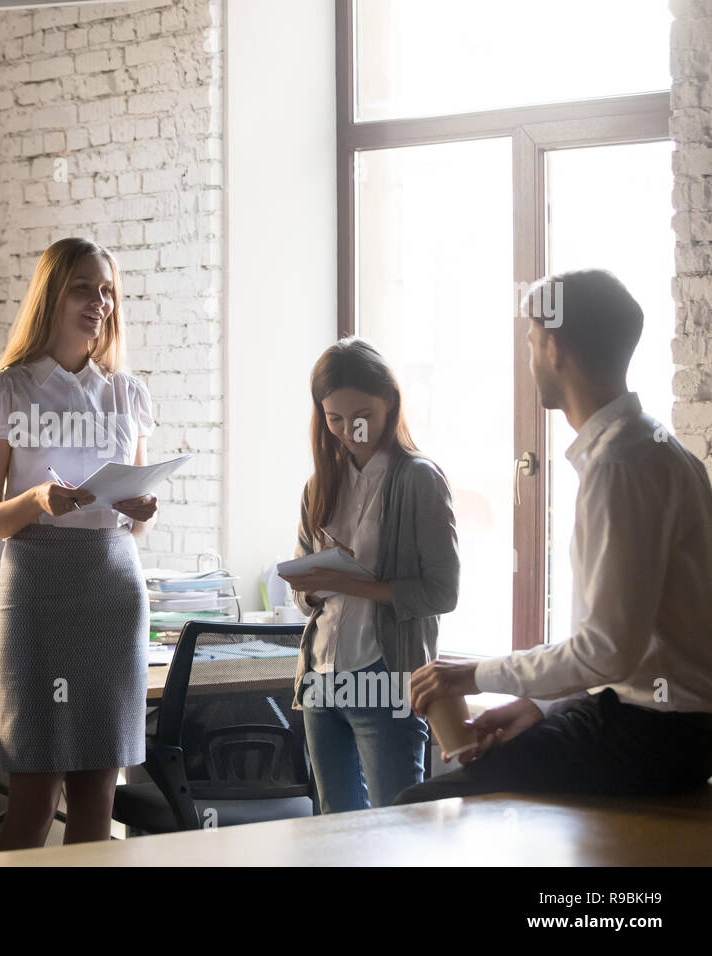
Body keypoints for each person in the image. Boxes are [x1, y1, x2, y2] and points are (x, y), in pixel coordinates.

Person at [400, 269, 712, 803]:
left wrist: (473, 675)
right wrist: (538, 706)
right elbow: (625, 656)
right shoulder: (664, 452)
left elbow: (607, 651)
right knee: (485, 764)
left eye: (530, 342)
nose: (528, 358)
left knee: (419, 808)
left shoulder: (619, 465)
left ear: (554, 347)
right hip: (664, 727)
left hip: (654, 738)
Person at [0, 237, 158, 849]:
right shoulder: (5, 391)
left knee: (99, 791)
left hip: (113, 588)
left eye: (107, 291)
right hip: (39, 591)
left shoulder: (126, 394)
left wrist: (141, 508)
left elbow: (137, 520)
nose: (98, 302)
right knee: (33, 791)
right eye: (83, 288)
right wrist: (34, 503)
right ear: (51, 294)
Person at [280, 338, 460, 813]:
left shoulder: (418, 478)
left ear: (390, 404)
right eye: (334, 419)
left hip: (385, 673)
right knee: (337, 836)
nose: (348, 430)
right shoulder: (320, 483)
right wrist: (313, 584)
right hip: (320, 677)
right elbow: (304, 598)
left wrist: (349, 582)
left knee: (398, 830)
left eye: (361, 414)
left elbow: (443, 592)